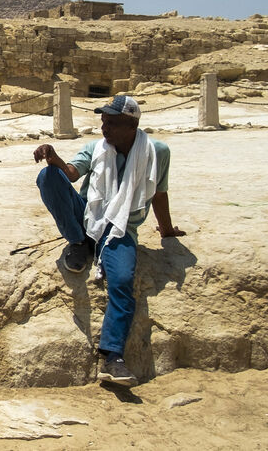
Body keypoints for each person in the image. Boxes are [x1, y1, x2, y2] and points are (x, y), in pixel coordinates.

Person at [32, 94, 184, 387]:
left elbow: (159, 193)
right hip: (87, 219)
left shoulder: (157, 152)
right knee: (48, 176)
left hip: (121, 227)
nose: (105, 129)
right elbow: (73, 173)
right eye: (103, 122)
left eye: (112, 123)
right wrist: (56, 159)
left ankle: (113, 357)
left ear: (132, 125)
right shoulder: (97, 148)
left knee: (123, 281)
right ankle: (80, 242)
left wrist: (166, 230)